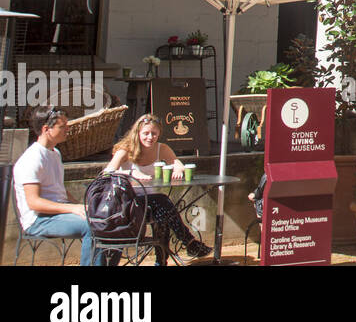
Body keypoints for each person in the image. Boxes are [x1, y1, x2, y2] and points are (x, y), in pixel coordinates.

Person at [103, 114, 212, 258]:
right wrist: (131, 173)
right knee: (162, 201)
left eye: (154, 133)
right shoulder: (125, 149)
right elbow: (106, 173)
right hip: (128, 204)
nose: (150, 137)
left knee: (162, 215)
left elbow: (178, 164)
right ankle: (189, 242)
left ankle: (162, 261)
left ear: (159, 133)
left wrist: (178, 169)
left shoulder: (162, 148)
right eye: (146, 133)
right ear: (137, 133)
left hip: (150, 204)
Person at [12, 106, 105, 265]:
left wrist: (80, 206)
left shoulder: (55, 153)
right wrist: (72, 208)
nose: (67, 129)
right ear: (46, 129)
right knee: (93, 226)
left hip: (58, 214)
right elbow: (34, 203)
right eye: (62, 126)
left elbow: (59, 190)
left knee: (107, 220)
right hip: (38, 220)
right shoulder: (32, 159)